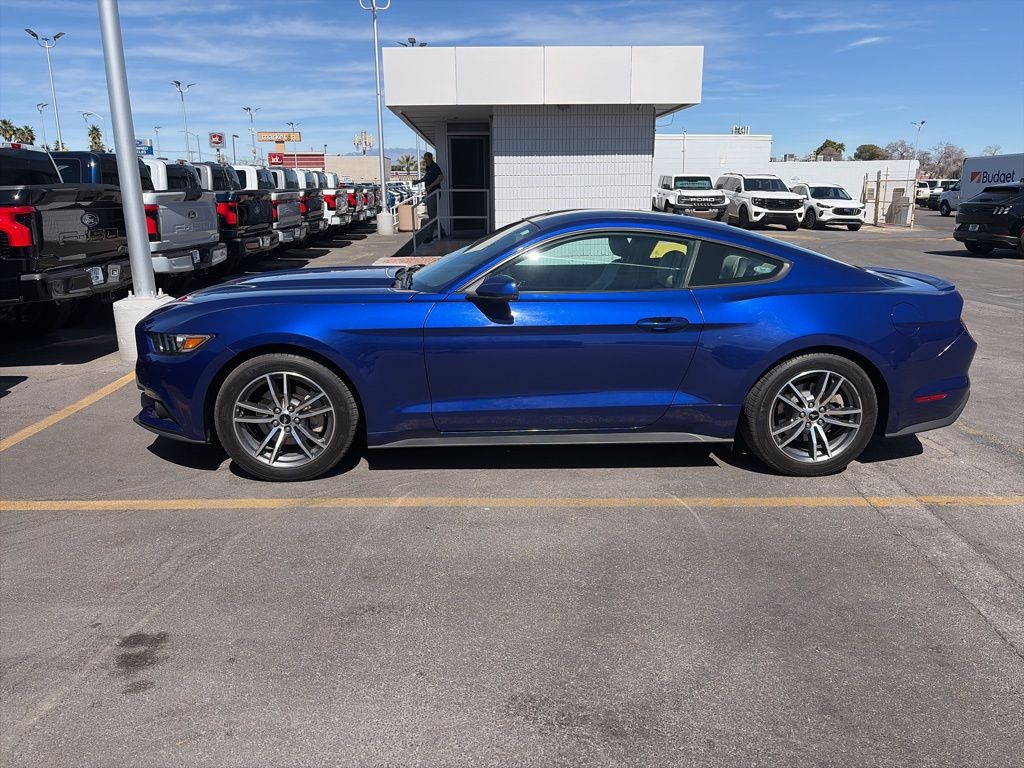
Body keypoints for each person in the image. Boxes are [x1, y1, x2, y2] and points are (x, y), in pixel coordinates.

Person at [413, 151, 445, 243]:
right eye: (424, 159)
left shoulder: (435, 167)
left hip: (434, 192)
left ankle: (429, 236)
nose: (425, 160)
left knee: (432, 215)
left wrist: (430, 186)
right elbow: (426, 178)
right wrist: (417, 182)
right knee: (433, 215)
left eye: (426, 159)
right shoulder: (428, 168)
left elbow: (441, 177)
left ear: (431, 158)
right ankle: (442, 232)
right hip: (430, 193)